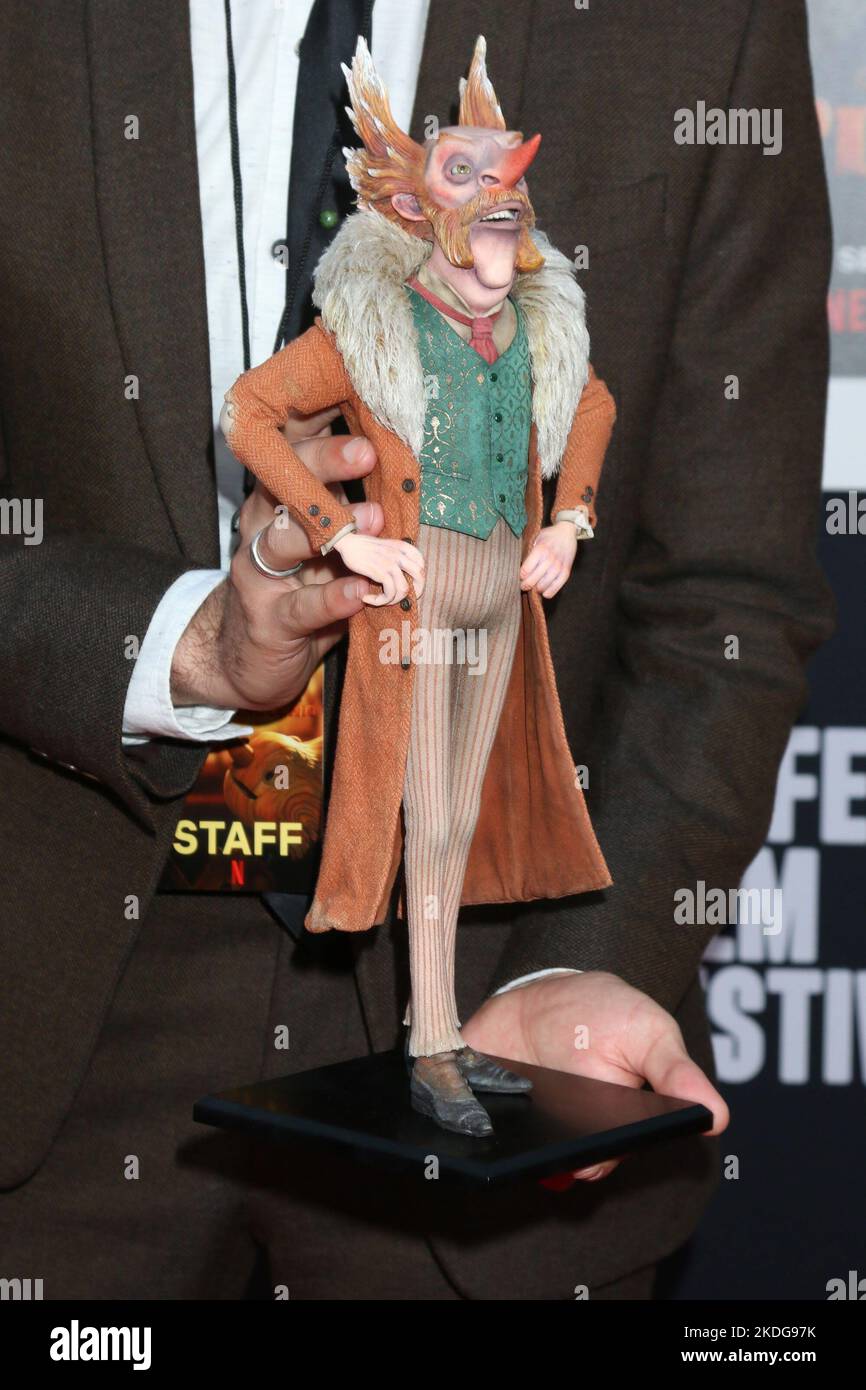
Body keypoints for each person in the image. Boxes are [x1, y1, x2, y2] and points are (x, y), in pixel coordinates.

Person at [0, 0, 831, 1300]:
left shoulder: (695, 33)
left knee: (445, 832)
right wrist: (194, 634)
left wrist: (582, 958)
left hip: (514, 995)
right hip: (55, 996)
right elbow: (260, 412)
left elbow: (725, 585)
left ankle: (447, 1007)